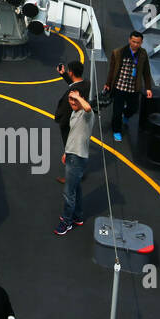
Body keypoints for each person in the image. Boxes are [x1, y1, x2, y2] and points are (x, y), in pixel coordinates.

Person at [55, 86, 94, 235]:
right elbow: (73, 134)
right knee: (76, 188)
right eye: (70, 99)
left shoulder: (87, 115)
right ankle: (77, 216)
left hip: (78, 157)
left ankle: (66, 221)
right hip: (72, 154)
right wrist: (66, 152)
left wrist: (79, 97)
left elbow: (88, 107)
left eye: (75, 99)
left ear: (81, 99)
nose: (72, 102)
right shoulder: (75, 113)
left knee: (68, 192)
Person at [103, 30, 154, 142]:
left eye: (138, 42)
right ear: (129, 40)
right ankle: (116, 130)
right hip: (119, 87)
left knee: (133, 108)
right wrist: (108, 84)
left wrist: (148, 87)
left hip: (133, 88)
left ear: (141, 43)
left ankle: (126, 114)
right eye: (133, 41)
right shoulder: (118, 52)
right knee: (117, 111)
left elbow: (146, 71)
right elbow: (112, 70)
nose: (135, 44)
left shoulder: (143, 54)